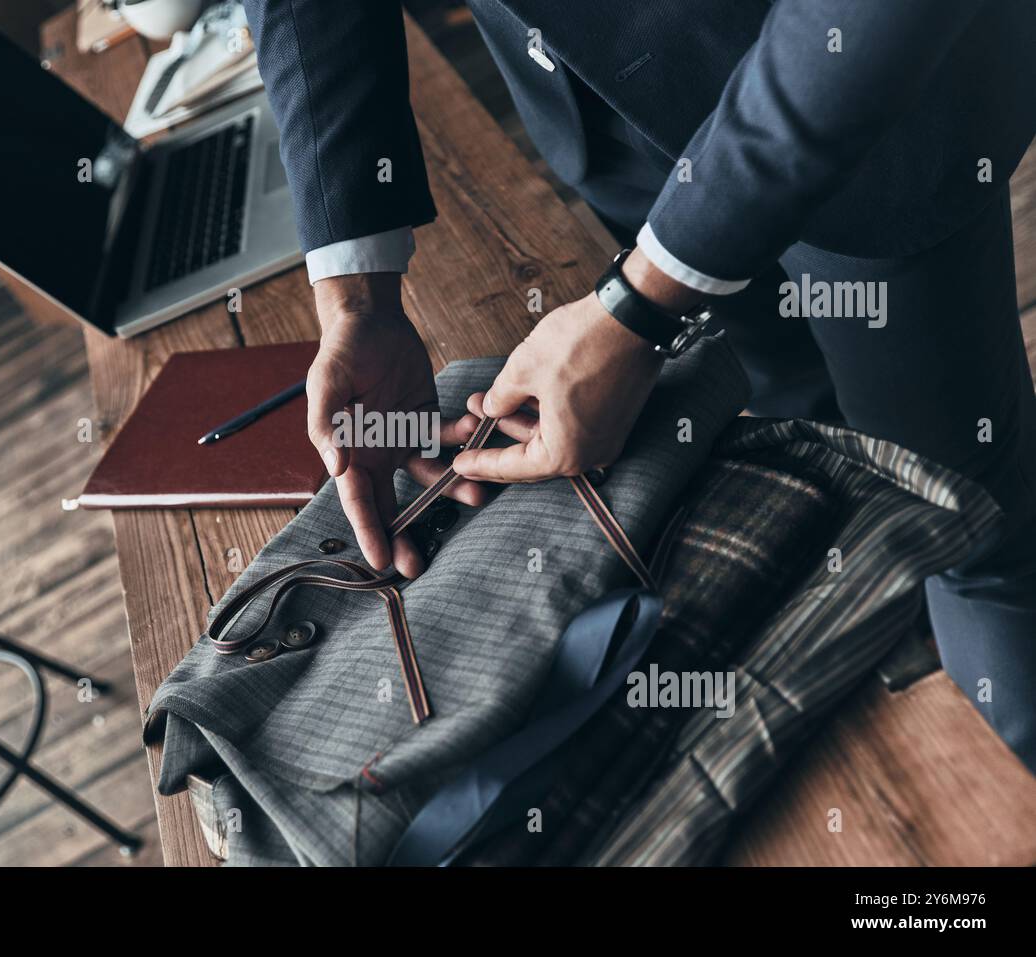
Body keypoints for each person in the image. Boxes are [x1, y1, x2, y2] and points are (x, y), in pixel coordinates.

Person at [239, 0, 1036, 769]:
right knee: (809, 450)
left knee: (969, 523)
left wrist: (640, 303)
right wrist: (356, 295)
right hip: (607, 114)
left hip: (866, 111)